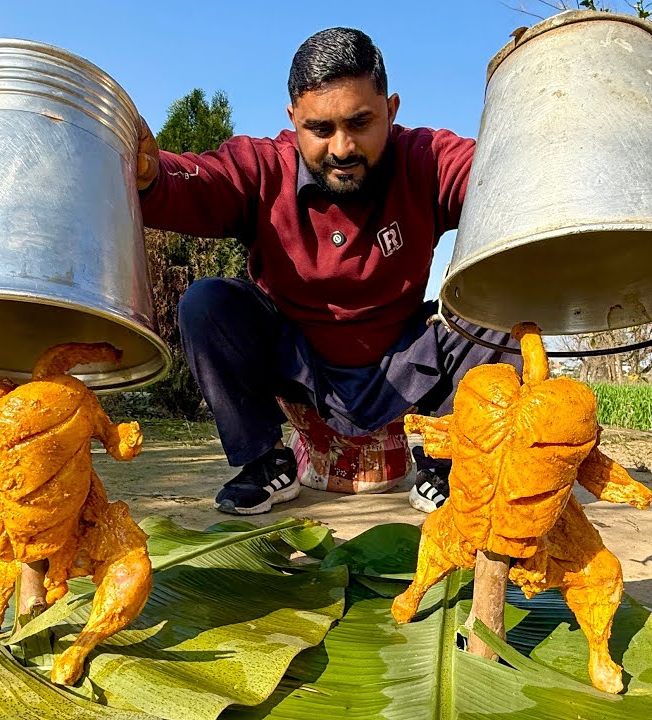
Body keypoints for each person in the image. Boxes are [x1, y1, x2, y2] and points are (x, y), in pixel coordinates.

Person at [136, 27, 521, 516]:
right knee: (206, 303)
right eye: (320, 129)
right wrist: (151, 175)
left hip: (405, 359)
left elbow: (499, 176)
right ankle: (264, 463)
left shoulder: (425, 158)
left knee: (503, 296)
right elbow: (196, 183)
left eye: (361, 122)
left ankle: (449, 464)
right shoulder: (262, 168)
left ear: (392, 109)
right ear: (293, 120)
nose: (342, 147)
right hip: (299, 366)